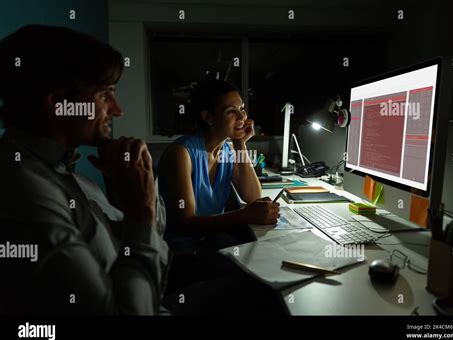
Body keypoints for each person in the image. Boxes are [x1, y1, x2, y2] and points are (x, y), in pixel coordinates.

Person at [0, 25, 170, 315]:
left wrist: (136, 191)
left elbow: (154, 233)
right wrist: (141, 212)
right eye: (105, 95)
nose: (117, 110)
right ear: (58, 104)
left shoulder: (70, 174)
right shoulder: (24, 189)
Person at [158, 79, 280, 251]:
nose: (242, 117)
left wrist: (240, 144)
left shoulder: (227, 151)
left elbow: (252, 195)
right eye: (231, 111)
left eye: (242, 109)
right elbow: (185, 224)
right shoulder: (181, 153)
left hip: (209, 240)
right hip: (182, 251)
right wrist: (244, 215)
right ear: (208, 117)